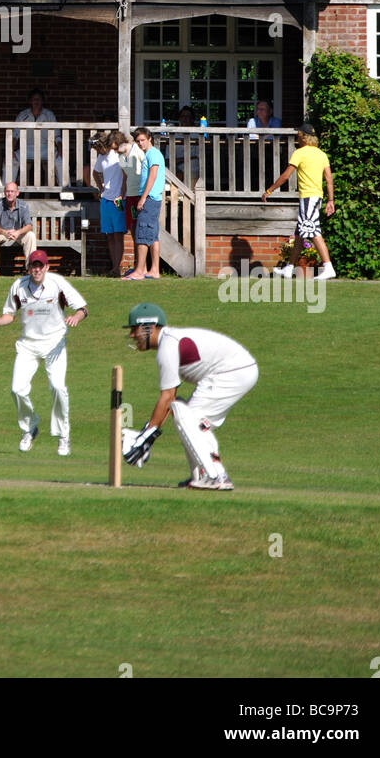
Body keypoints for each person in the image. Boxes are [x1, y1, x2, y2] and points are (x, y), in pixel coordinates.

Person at [124, 302, 258, 491]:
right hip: (237, 370)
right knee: (187, 414)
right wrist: (148, 433)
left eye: (134, 329)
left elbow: (167, 396)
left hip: (232, 371)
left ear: (149, 326)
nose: (132, 335)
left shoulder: (167, 347)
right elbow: (170, 399)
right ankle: (201, 476)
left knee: (188, 415)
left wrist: (146, 437)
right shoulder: (169, 342)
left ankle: (215, 476)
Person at [0, 249, 87, 457]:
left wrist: (76, 317)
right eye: (34, 265)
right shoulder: (19, 286)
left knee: (58, 387)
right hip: (28, 345)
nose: (37, 269)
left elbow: (83, 309)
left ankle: (63, 436)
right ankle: (29, 428)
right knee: (17, 389)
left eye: (41, 266)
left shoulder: (57, 283)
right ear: (28, 267)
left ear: (47, 267)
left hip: (55, 344)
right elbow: (9, 315)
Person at [264, 122, 336, 281]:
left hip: (308, 198)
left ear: (303, 137)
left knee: (314, 232)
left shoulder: (299, 153)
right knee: (299, 235)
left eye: (299, 135)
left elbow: (285, 176)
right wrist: (331, 200)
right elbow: (329, 179)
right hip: (317, 197)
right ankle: (289, 268)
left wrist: (269, 190)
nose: (298, 138)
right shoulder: (321, 154)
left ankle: (328, 267)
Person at [123, 127, 165, 280]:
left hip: (149, 199)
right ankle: (154, 270)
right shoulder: (150, 154)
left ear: (149, 139)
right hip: (152, 198)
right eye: (138, 141)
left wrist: (142, 198)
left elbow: (152, 176)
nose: (140, 143)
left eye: (143, 140)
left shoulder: (153, 154)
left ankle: (139, 271)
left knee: (142, 233)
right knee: (153, 236)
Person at [11, 89, 66, 188]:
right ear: (30, 101)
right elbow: (15, 136)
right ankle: (6, 191)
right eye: (34, 99)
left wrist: (61, 150)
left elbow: (57, 135)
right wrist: (10, 151)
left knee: (60, 160)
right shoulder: (23, 115)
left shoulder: (49, 115)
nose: (36, 102)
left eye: (39, 99)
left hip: (46, 149)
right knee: (11, 159)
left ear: (42, 101)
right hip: (26, 149)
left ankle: (66, 192)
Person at [90, 131, 126, 276]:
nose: (98, 151)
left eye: (98, 148)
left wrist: (122, 194)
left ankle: (117, 267)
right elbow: (95, 172)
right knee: (109, 235)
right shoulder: (101, 157)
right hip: (105, 200)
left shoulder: (118, 155)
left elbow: (125, 176)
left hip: (118, 200)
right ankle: (114, 267)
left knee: (118, 234)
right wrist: (101, 188)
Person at [0, 181, 37, 277]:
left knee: (31, 235)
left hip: (18, 234)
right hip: (2, 234)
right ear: (4, 192)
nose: (10, 194)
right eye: (7, 191)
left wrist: (18, 232)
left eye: (12, 191)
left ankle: (30, 268)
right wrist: (3, 232)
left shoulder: (23, 205)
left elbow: (29, 226)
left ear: (17, 193)